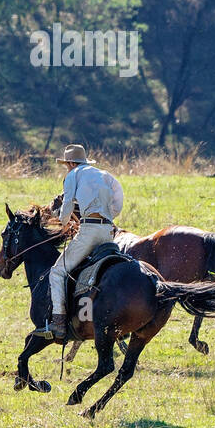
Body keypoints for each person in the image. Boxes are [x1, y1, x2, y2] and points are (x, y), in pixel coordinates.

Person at [40, 144, 124, 339]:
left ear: (70, 162)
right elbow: (118, 203)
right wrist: (106, 217)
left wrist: (63, 222)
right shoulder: (105, 175)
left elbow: (68, 203)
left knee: (58, 272)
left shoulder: (72, 175)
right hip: (108, 231)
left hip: (88, 231)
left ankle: (59, 321)